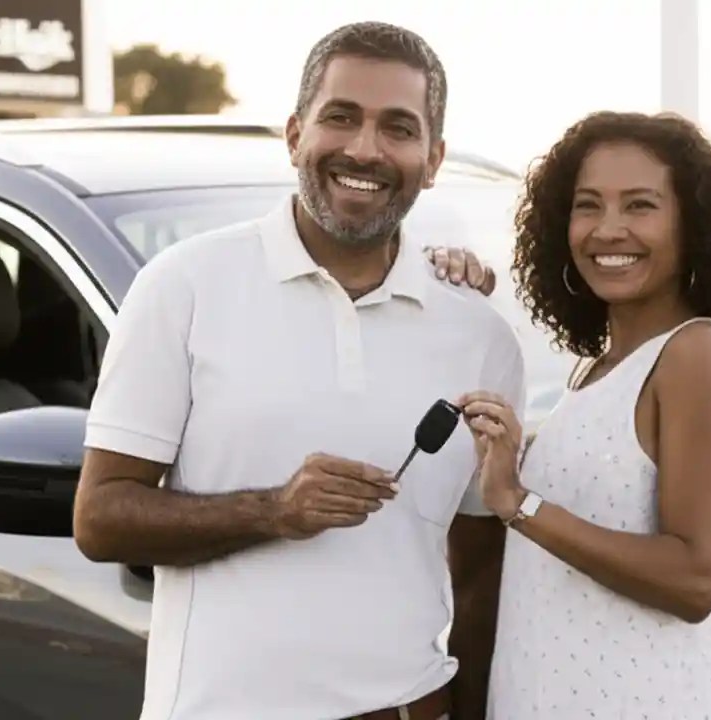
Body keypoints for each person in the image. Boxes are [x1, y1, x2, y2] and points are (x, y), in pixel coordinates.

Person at [72, 21, 520, 720]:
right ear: (294, 135)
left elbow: (481, 571)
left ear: (432, 160)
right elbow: (99, 519)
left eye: (398, 129)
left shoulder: (480, 336)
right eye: (341, 117)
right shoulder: (185, 286)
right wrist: (275, 510)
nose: (365, 149)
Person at [455, 110, 711, 718]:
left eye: (640, 206)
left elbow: (694, 579)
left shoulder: (699, 356)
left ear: (693, 225)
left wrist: (519, 502)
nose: (608, 229)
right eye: (587, 205)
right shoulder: (596, 370)